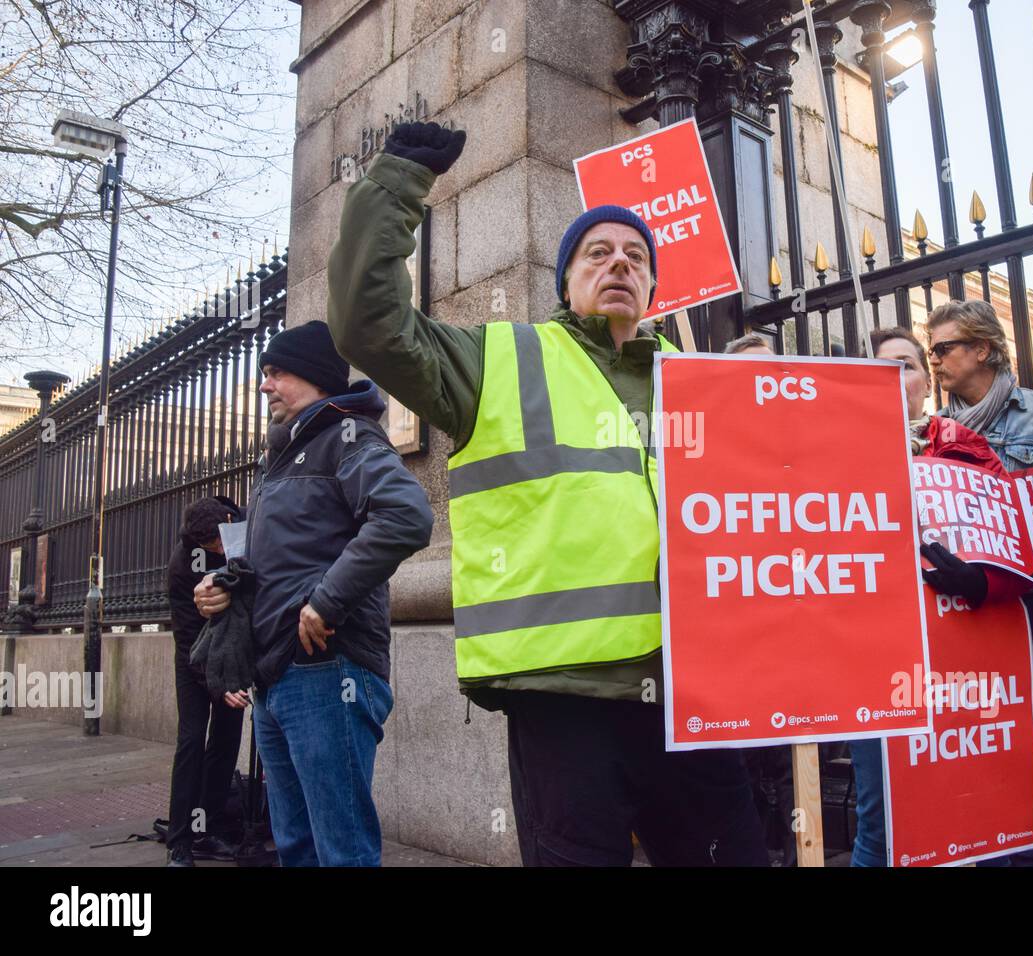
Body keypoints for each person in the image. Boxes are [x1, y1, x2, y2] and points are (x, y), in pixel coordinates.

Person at [326, 121, 768, 867]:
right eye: (597, 253)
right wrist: (396, 183)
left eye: (636, 256)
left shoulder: (706, 386)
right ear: (565, 282)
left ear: (656, 288)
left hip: (695, 696)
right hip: (566, 701)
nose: (619, 263)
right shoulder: (499, 360)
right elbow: (366, 324)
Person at [193, 320, 434, 867]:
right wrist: (222, 586)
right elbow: (267, 560)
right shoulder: (279, 458)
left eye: (275, 372)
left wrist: (327, 600)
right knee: (296, 847)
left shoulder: (348, 437)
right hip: (277, 675)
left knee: (340, 851)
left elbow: (406, 516)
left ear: (314, 378)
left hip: (329, 671)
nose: (264, 385)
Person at [848, 326, 1033, 866]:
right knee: (882, 820)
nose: (893, 376)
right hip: (879, 663)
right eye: (879, 367)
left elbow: (1023, 552)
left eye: (906, 365)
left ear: (925, 383)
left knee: (980, 816)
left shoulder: (966, 447)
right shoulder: (836, 454)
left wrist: (982, 583)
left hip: (967, 663)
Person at [926, 299, 1033, 860]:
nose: (934, 362)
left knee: (1023, 731)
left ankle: (1028, 843)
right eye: (930, 351)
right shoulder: (933, 429)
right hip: (960, 600)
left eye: (943, 348)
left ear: (982, 349)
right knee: (970, 729)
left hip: (1026, 597)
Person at [165, 495, 245, 867]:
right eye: (209, 545)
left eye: (218, 540)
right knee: (192, 740)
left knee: (227, 741)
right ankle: (180, 842)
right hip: (195, 662)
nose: (217, 548)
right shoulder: (183, 565)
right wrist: (217, 683)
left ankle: (209, 828)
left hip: (234, 658)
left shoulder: (243, 529)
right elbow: (188, 639)